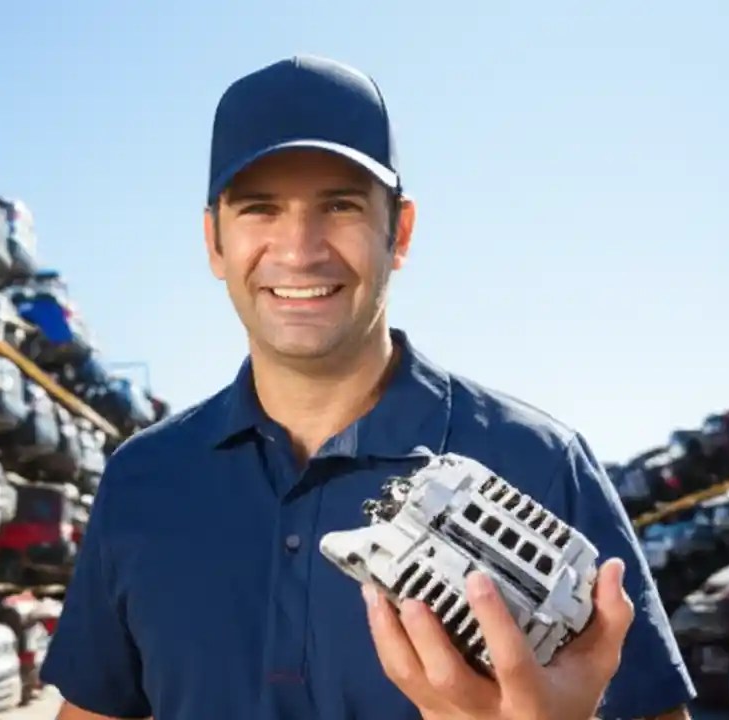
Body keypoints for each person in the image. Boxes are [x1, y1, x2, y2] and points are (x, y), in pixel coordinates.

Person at [40, 55, 695, 720]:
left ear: (399, 232)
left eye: (341, 206)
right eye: (260, 209)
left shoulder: (546, 465)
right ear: (214, 240)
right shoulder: (142, 480)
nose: (298, 250)